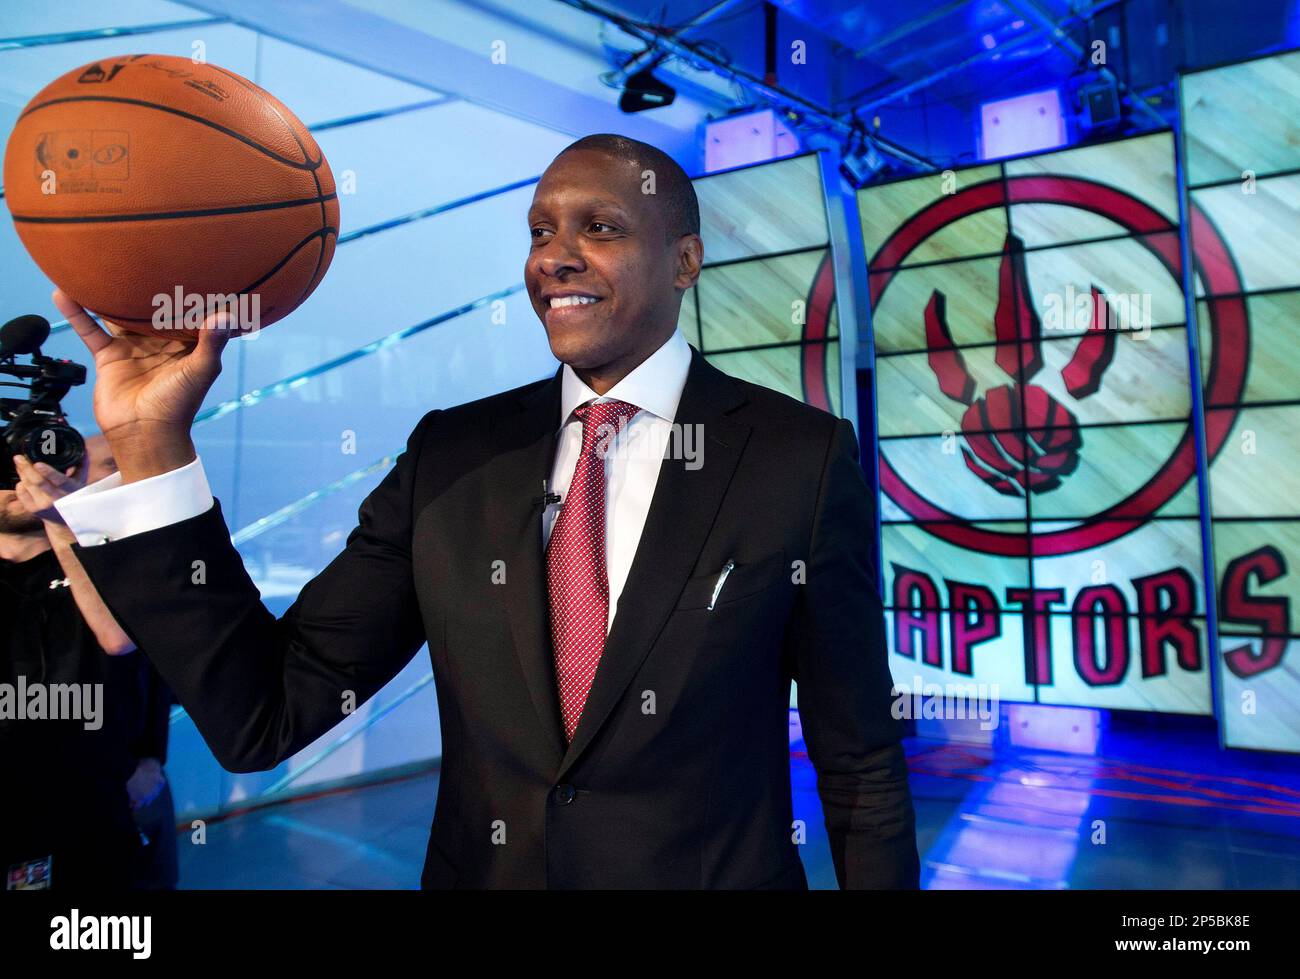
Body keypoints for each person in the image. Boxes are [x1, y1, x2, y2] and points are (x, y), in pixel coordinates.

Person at [51, 133, 919, 889]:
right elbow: (265, 713)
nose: (555, 256)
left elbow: (859, 763)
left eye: (600, 228)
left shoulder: (796, 458)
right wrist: (154, 443)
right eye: (541, 231)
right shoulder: (452, 458)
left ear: (685, 260)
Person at [1, 435, 177, 890]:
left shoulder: (113, 561)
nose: (20, 481)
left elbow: (122, 640)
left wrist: (64, 522)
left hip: (102, 808)